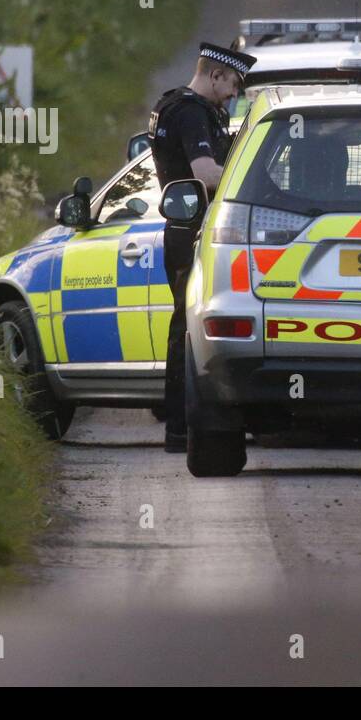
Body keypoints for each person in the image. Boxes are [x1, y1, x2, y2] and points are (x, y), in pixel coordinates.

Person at [148, 42, 256, 453]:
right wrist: (248, 178)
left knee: (183, 326)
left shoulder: (171, 104)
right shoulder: (192, 112)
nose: (234, 94)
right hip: (192, 231)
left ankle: (177, 424)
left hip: (179, 226)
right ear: (214, 75)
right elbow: (207, 173)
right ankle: (179, 427)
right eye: (232, 85)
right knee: (189, 330)